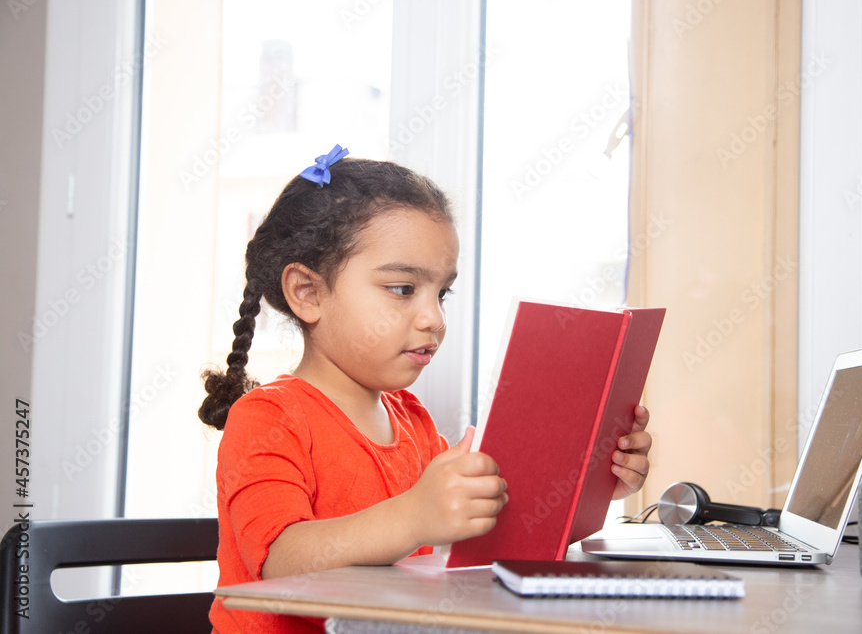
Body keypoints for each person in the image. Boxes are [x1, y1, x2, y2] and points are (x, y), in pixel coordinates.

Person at [198, 145, 652, 633]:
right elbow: (281, 564)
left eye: (442, 293)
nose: (434, 318)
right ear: (307, 293)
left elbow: (474, 531)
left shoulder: (413, 421)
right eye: (402, 289)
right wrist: (413, 517)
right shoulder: (267, 418)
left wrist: (591, 478)